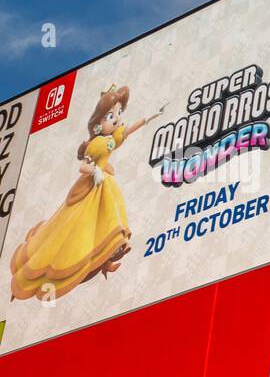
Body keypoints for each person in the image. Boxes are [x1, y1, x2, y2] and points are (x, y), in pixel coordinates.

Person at [11, 85, 162, 301]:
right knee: (76, 229)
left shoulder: (111, 138)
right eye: (111, 115)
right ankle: (86, 259)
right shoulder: (96, 144)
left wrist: (148, 118)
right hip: (92, 186)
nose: (117, 118)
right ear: (98, 124)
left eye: (118, 113)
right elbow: (83, 167)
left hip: (104, 184)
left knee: (107, 219)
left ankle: (108, 254)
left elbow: (126, 132)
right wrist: (95, 171)